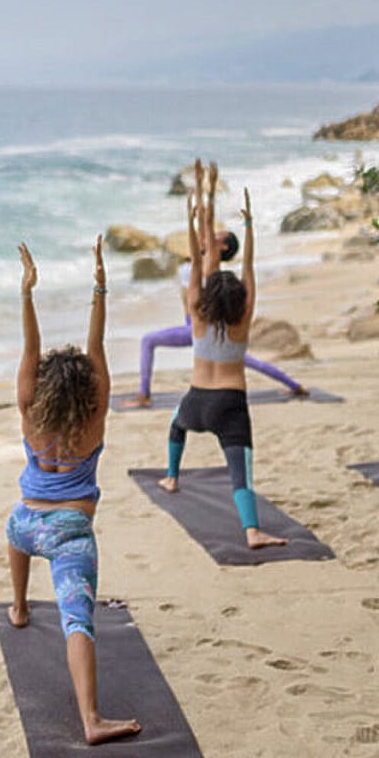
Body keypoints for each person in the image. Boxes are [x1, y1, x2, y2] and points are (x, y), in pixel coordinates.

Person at [7, 235, 141, 745]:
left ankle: (19, 606)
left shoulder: (29, 411)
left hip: (24, 523)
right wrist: (100, 288)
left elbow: (30, 349)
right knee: (77, 621)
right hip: (69, 535)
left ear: (43, 388)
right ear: (87, 389)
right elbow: (97, 348)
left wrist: (27, 292)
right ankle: (90, 719)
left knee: (14, 533)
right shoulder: (95, 417)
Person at [156, 170, 287, 549]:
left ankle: (172, 477)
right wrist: (250, 227)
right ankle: (252, 531)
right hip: (230, 404)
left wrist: (191, 222)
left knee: (176, 424)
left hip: (196, 401)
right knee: (240, 474)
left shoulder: (197, 316)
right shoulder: (242, 321)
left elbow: (199, 268)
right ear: (241, 300)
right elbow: (248, 271)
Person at [124, 160, 306, 407]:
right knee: (247, 359)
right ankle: (295, 385)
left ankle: (143, 395)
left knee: (149, 340)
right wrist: (200, 186)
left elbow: (207, 222)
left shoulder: (211, 262)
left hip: (199, 326)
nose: (214, 233)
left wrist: (210, 189)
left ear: (223, 246)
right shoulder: (204, 256)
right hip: (197, 323)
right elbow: (202, 219)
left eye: (220, 235)